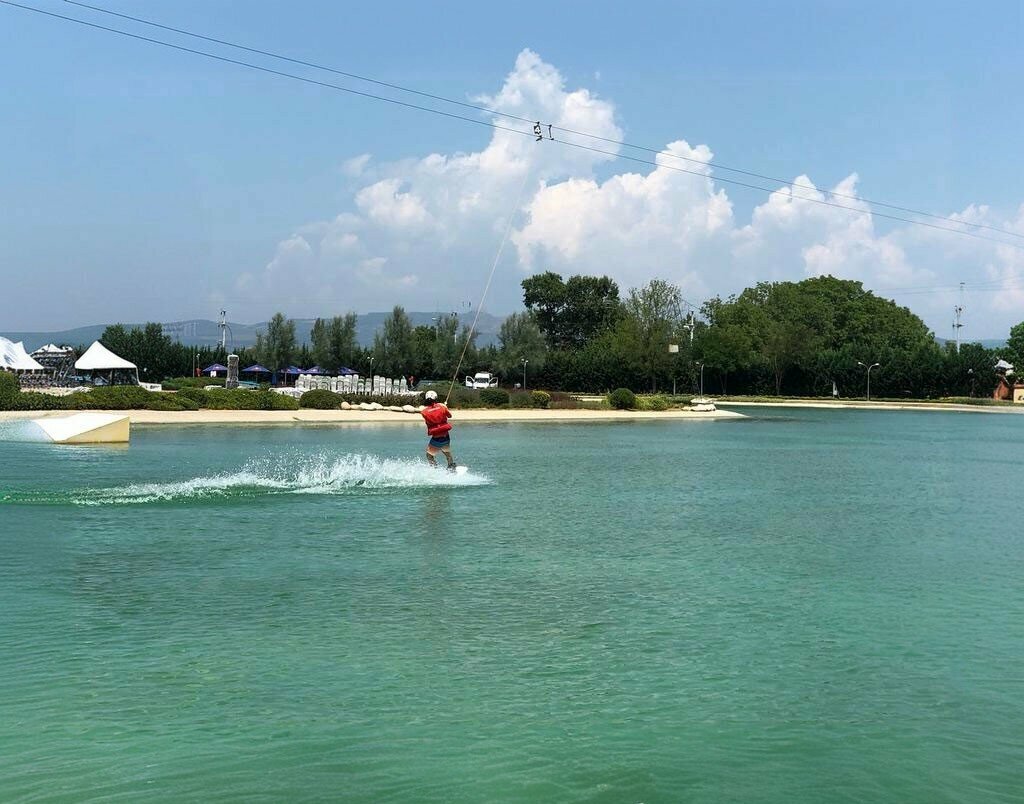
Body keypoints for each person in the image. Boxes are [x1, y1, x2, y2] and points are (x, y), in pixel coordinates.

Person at [420, 390, 456, 470]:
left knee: (429, 456)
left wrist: (441, 407)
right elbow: (449, 416)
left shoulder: (424, 412)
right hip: (446, 436)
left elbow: (431, 413)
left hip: (436, 438)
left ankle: (435, 469)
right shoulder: (442, 407)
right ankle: (451, 467)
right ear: (436, 398)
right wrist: (445, 407)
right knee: (447, 453)